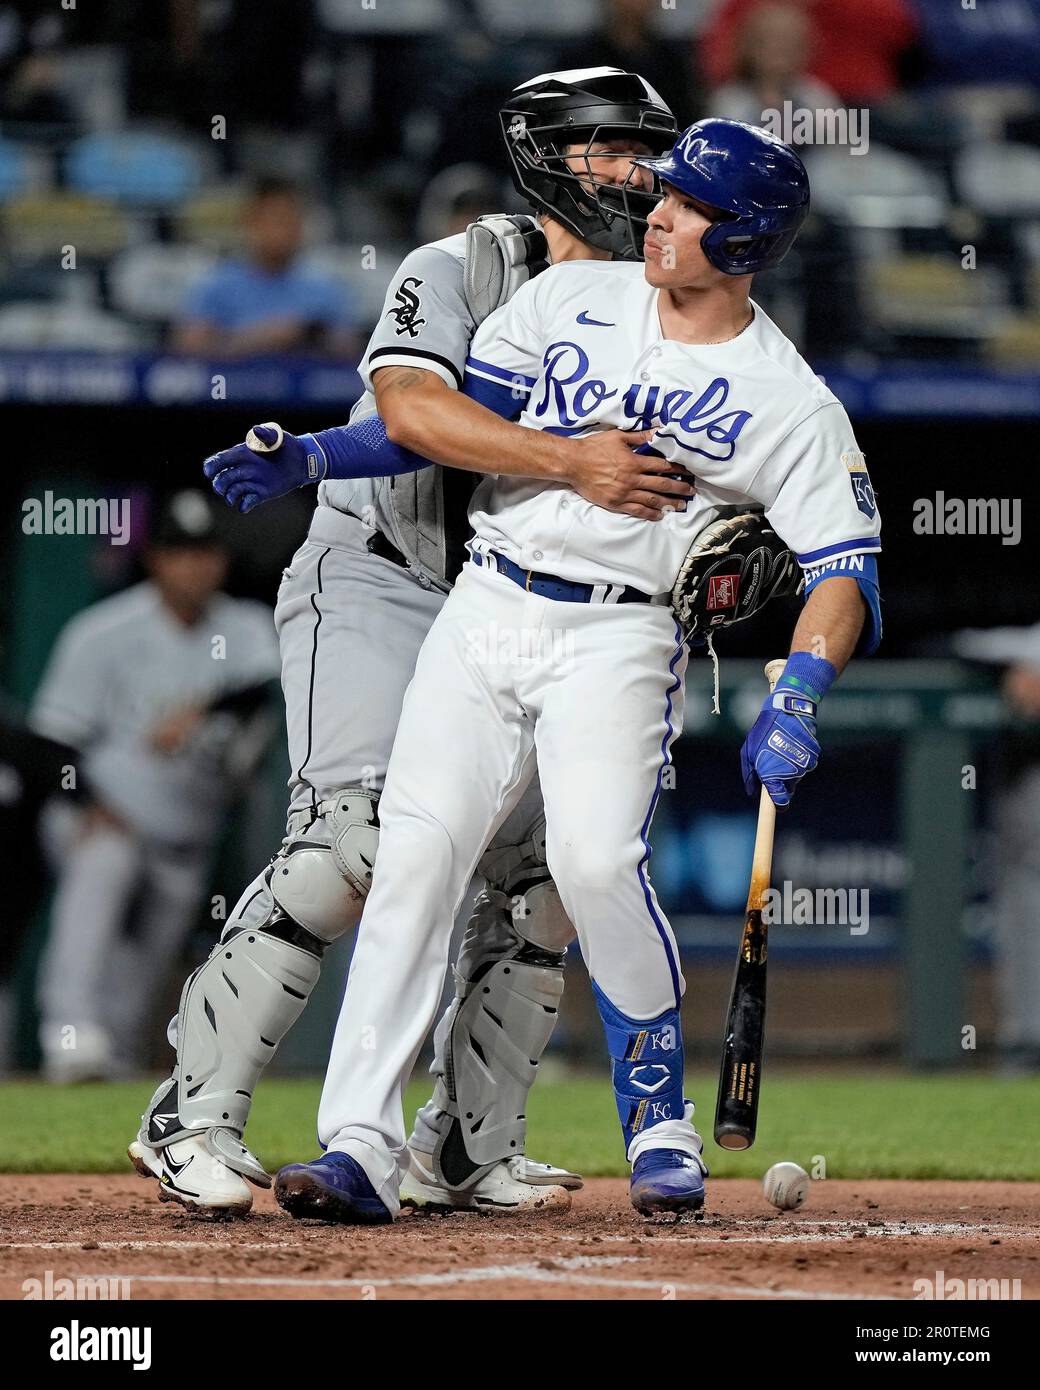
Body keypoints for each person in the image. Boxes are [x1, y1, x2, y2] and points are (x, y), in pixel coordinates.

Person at [271, 117, 882, 1225]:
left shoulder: (787, 398)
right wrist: (319, 452)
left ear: (743, 242)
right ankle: (358, 1142)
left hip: (620, 633)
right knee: (415, 856)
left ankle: (657, 1122)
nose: (658, 213)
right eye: (666, 194)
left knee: (594, 862)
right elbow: (447, 424)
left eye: (689, 207)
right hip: (487, 601)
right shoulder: (568, 296)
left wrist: (799, 693)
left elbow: (844, 570)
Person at [130, 68, 708, 1218]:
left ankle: (462, 1148)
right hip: (383, 572)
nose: (634, 174)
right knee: (352, 844)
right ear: (544, 155)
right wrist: (570, 461)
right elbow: (411, 417)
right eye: (608, 148)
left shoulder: (665, 296)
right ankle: (187, 1115)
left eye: (645, 151)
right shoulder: (453, 268)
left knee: (543, 885)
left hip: (533, 604)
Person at [32, 491, 279, 1081]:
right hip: (104, 814)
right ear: (155, 560)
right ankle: (67, 1030)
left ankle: (105, 1063)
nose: (194, 567)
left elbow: (266, 686)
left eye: (205, 552)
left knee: (147, 963)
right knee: (104, 868)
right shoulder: (104, 631)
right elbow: (52, 741)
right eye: (180, 553)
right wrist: (89, 803)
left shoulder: (243, 628)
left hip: (185, 834)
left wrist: (205, 707)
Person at [173, 176, 359, 357]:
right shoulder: (216, 287)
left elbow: (348, 353)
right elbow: (188, 350)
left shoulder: (325, 291)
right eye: (273, 221)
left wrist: (307, 336)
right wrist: (258, 338)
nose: (281, 232)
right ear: (250, 224)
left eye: (289, 221)